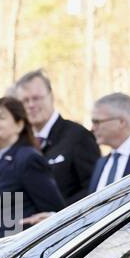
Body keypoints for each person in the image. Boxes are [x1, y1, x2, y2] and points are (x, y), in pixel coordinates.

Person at [0, 96, 64, 243]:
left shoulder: (28, 159)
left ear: (19, 125)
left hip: (15, 250)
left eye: (1, 117)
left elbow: (54, 209)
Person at [14, 69, 100, 205]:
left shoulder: (77, 136)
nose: (31, 105)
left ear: (51, 97)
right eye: (25, 101)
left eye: (36, 98)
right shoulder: (20, 143)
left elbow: (94, 188)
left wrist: (58, 214)